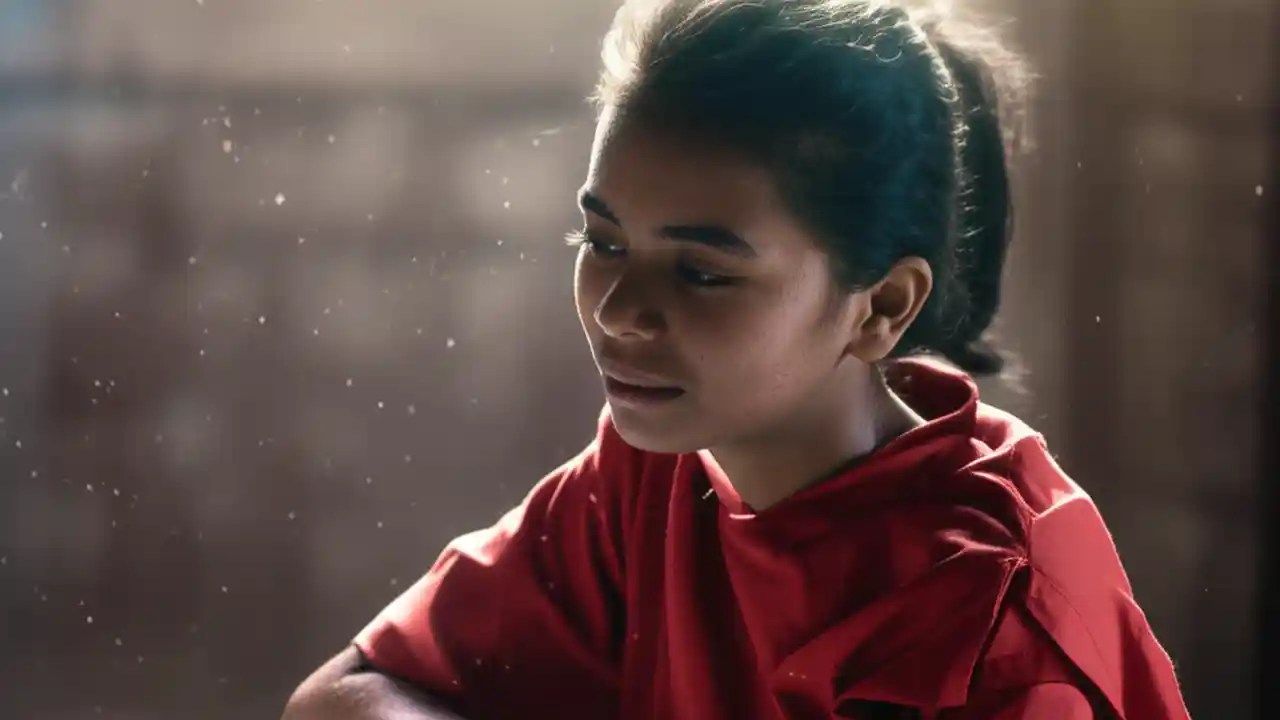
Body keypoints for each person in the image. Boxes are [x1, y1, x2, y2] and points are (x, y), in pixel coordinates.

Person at [281, 0, 1193, 718]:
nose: (621, 311)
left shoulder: (993, 618)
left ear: (881, 306)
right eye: (602, 243)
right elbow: (344, 698)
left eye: (703, 273)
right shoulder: (650, 484)